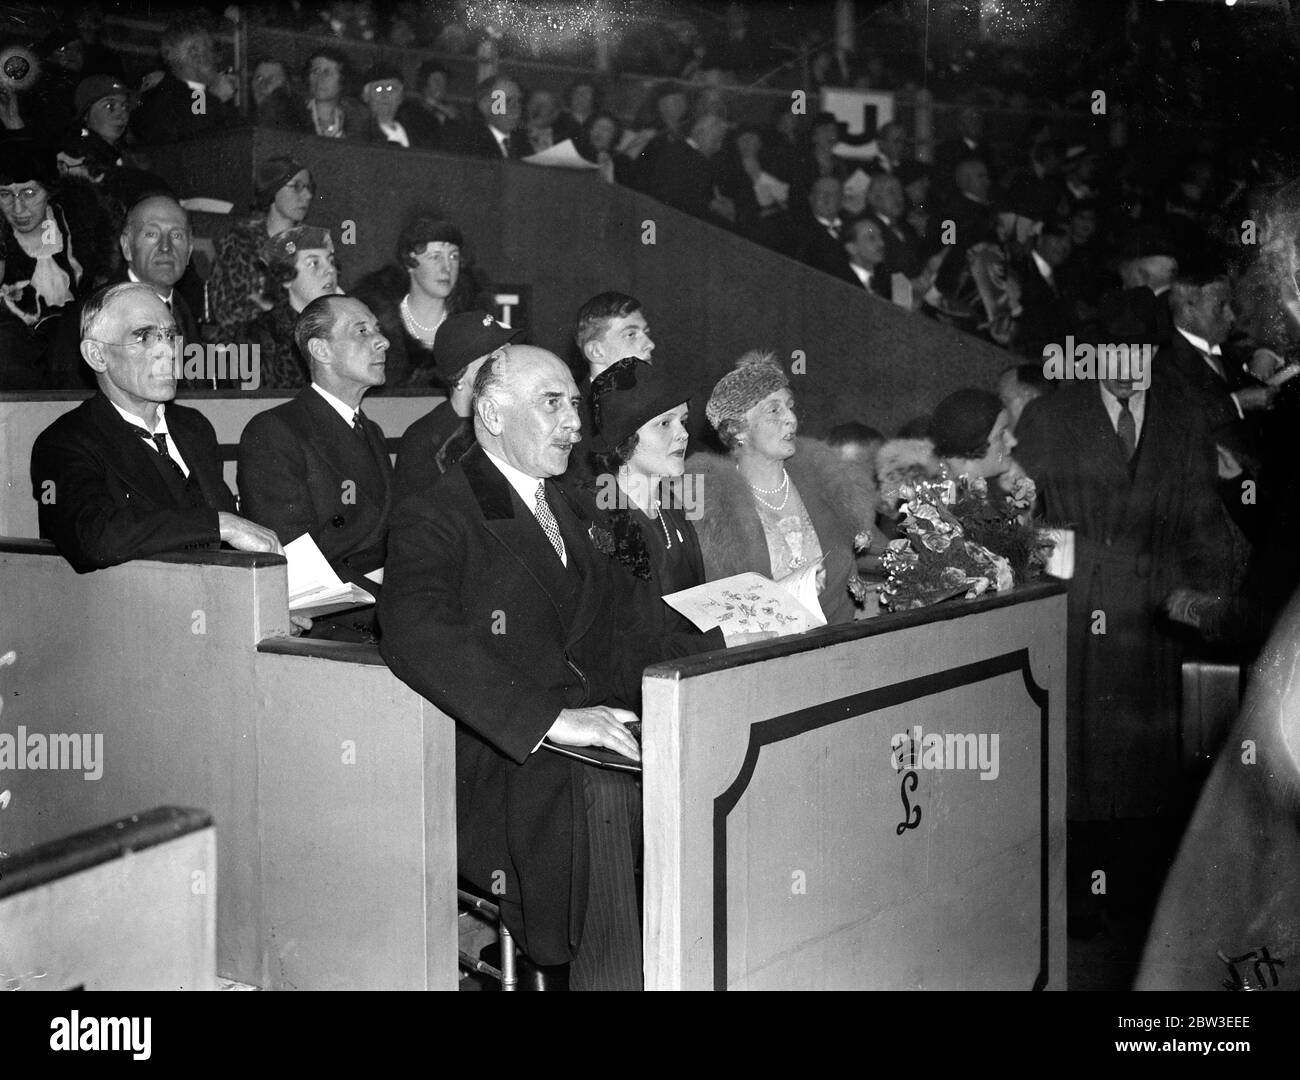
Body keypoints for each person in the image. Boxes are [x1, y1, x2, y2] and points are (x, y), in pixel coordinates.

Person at [379, 344, 691, 990]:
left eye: (575, 405)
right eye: (553, 404)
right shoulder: (437, 511)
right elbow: (413, 631)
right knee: (606, 798)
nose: (574, 423)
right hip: (504, 758)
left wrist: (728, 643)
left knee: (695, 757)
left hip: (591, 733)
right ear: (492, 415)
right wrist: (550, 720)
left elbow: (632, 626)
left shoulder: (574, 507)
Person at [30, 282, 280, 573]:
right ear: (97, 356)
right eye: (144, 336)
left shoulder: (194, 427)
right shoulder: (64, 443)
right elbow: (94, 539)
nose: (168, 351)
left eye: (170, 335)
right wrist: (220, 524)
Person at [238, 295, 393, 640]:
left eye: (378, 330)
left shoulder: (371, 431)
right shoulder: (276, 431)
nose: (383, 341)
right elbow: (295, 561)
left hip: (380, 609)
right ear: (321, 350)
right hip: (336, 625)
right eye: (361, 331)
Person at [686, 351, 877, 624]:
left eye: (790, 406)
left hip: (838, 646)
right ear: (737, 429)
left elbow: (880, 553)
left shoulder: (828, 484)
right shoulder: (710, 506)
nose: (791, 419)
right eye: (774, 410)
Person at [584, 356, 724, 644]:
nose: (683, 434)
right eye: (664, 424)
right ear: (625, 437)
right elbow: (627, 649)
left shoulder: (670, 504)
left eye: (683, 421)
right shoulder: (603, 516)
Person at [50, 191, 201, 390]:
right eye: (151, 234)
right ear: (127, 246)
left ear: (189, 250)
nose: (166, 247)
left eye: (177, 235)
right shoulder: (90, 316)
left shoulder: (185, 310)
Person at [0, 139, 104, 387]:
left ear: (49, 190)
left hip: (73, 344)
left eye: (29, 193)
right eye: (5, 194)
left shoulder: (79, 227)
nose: (18, 208)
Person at [394, 309, 522, 500]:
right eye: (492, 355)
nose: (505, 361)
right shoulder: (423, 439)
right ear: (459, 372)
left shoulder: (515, 423)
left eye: (506, 350)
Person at [352, 216, 484, 388]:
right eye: (435, 257)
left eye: (453, 256)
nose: (447, 267)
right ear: (410, 262)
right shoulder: (379, 327)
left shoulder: (473, 327)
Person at [207, 156, 316, 342]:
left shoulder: (312, 243)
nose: (307, 196)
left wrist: (267, 303)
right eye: (296, 186)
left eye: (309, 188)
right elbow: (226, 310)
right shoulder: (241, 240)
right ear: (272, 190)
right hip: (247, 348)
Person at [247, 225, 340, 389]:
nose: (330, 270)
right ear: (286, 277)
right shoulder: (261, 334)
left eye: (331, 262)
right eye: (314, 263)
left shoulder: (345, 325)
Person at [132, 15, 238, 144]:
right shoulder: (162, 97)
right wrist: (215, 97)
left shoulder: (199, 95)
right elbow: (190, 135)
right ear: (195, 55)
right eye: (211, 50)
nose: (217, 59)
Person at [303, 47, 368, 140]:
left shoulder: (358, 117)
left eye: (327, 73)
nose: (320, 78)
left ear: (342, 79)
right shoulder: (293, 111)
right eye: (315, 71)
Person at [455, 74, 526, 159]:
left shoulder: (523, 143)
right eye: (507, 101)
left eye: (518, 101)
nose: (516, 108)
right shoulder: (469, 144)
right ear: (485, 105)